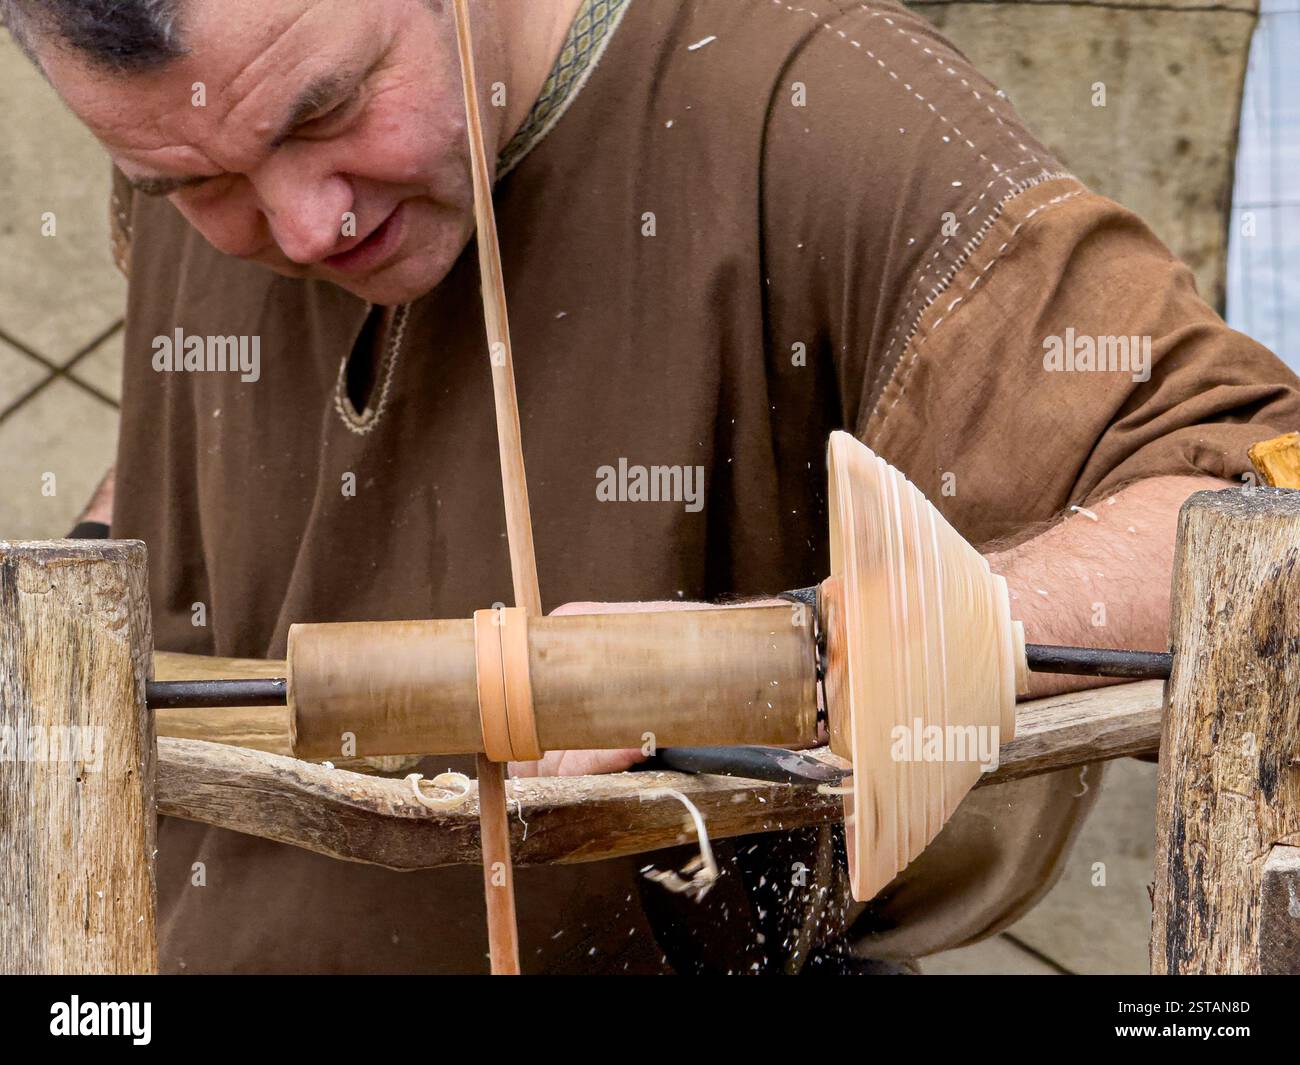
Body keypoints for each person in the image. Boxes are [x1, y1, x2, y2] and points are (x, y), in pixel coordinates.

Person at [8, 0, 1299, 973]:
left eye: (326, 112)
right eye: (195, 185)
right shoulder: (209, 116)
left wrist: (795, 649)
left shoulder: (814, 108)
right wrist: (84, 590)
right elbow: (215, 455)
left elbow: (1257, 509)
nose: (302, 226)